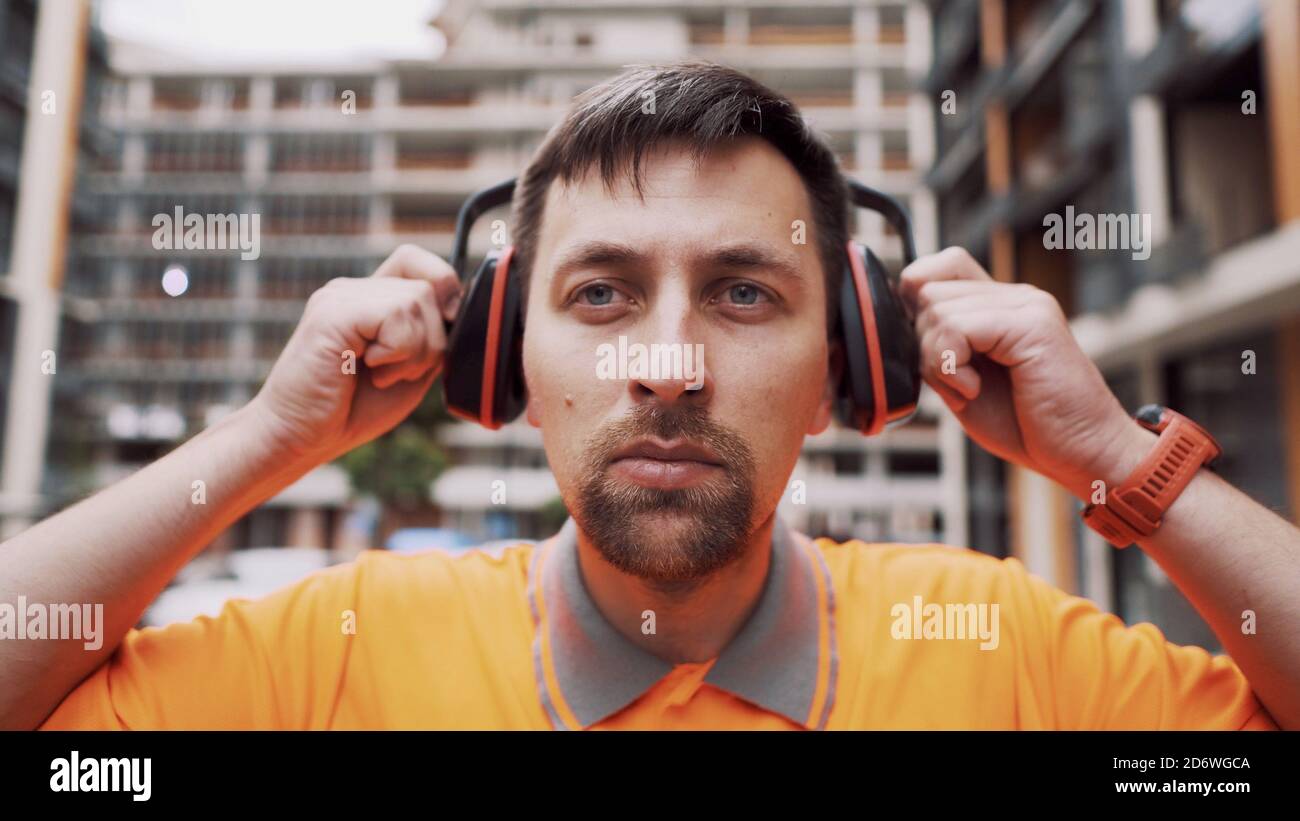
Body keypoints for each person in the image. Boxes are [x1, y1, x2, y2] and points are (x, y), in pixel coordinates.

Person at [4, 61, 1297, 730]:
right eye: (602, 296)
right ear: (503, 352)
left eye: (743, 294)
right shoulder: (329, 657)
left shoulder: (1005, 652)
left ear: (850, 358)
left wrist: (1120, 460)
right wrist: (265, 439)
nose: (665, 365)